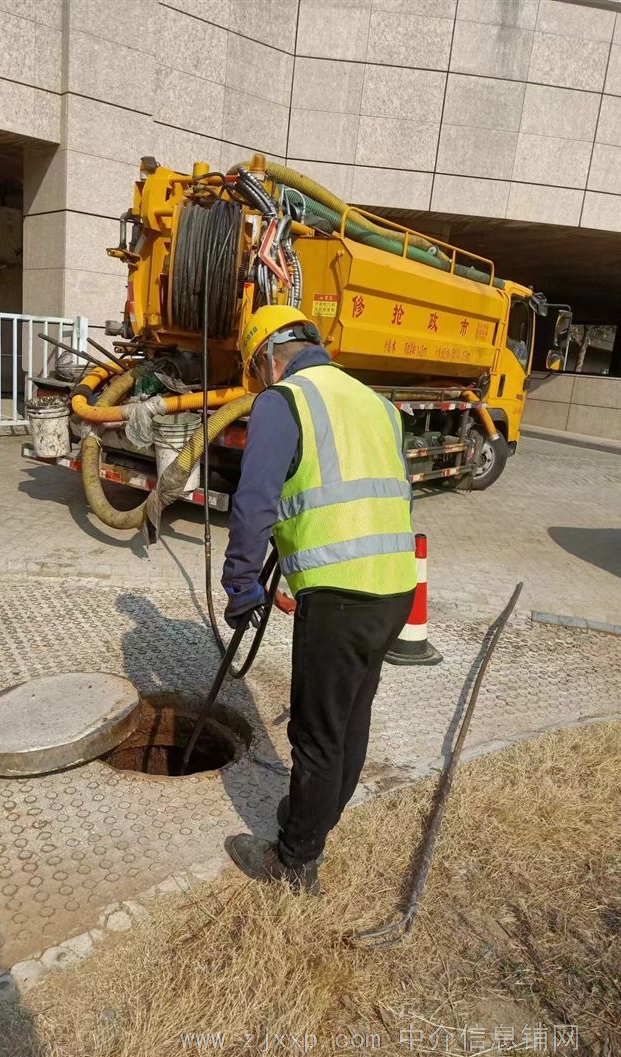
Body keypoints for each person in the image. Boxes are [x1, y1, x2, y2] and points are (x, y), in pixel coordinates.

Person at [222, 306, 417, 894]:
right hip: (396, 587)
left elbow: (254, 498)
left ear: (267, 356)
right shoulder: (376, 404)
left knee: (316, 733)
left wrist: (241, 583)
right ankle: (317, 819)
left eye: (257, 369)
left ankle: (295, 861)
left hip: (340, 598)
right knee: (350, 718)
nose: (261, 380)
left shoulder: (286, 401)